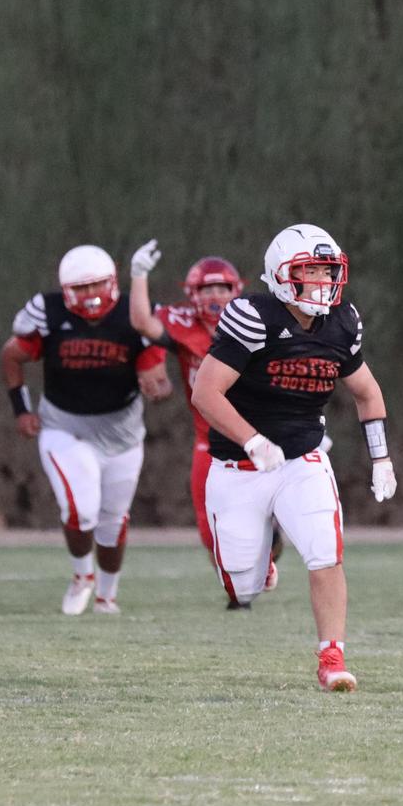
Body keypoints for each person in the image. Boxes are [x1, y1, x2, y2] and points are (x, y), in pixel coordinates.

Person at [194, 223, 394, 691]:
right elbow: (206, 392)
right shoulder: (252, 316)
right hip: (237, 466)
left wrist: (381, 458)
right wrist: (251, 440)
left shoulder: (342, 323)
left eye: (329, 272)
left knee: (326, 553)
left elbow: (367, 393)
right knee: (241, 584)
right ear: (282, 276)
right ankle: (261, 563)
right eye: (312, 272)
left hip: (302, 459)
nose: (324, 282)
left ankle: (332, 656)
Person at [1, 244, 170, 615]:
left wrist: (156, 385)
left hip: (123, 435)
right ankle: (82, 575)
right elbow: (12, 354)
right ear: (65, 290)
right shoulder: (47, 311)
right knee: (81, 510)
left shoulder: (134, 313)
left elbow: (155, 372)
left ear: (111, 282)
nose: (90, 295)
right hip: (66, 427)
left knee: (112, 522)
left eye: (96, 285)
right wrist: (21, 409)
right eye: (81, 288)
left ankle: (107, 595)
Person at [127, 241, 263, 576]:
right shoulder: (183, 324)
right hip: (210, 440)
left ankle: (264, 554)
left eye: (221, 287)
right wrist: (139, 275)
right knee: (207, 524)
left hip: (260, 434)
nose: (215, 296)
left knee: (264, 521)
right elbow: (142, 322)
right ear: (191, 293)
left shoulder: (258, 322)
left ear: (237, 289)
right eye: (206, 289)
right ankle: (235, 575)